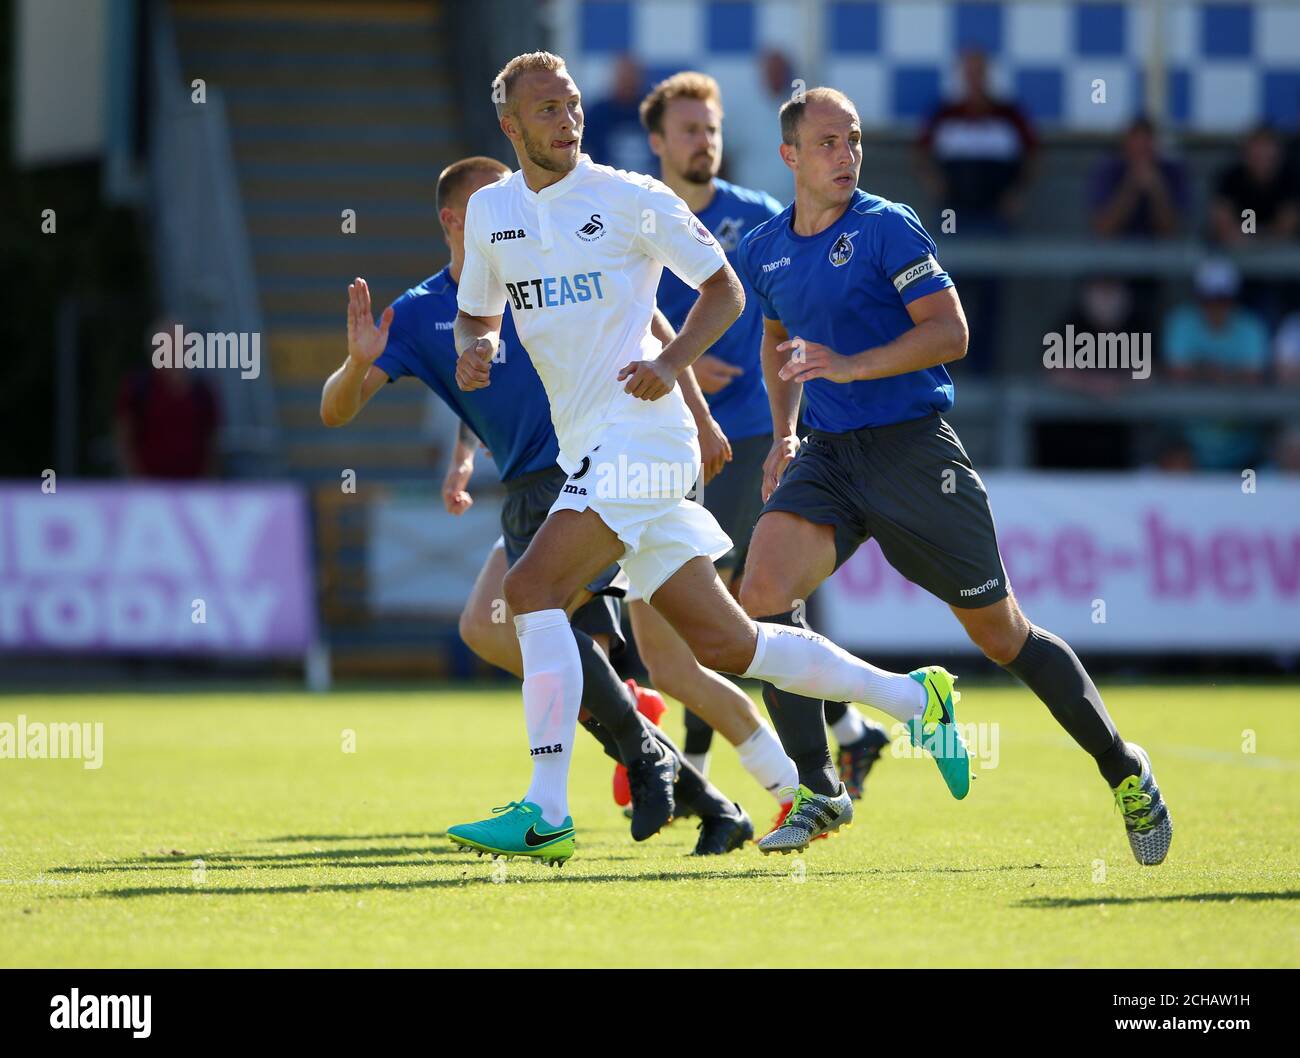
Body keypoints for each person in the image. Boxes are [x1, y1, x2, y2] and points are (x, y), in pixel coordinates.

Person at [448, 52, 964, 863]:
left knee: (530, 587)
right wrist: (475, 348)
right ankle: (911, 696)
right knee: (726, 645)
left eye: (573, 103)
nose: (567, 118)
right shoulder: (489, 214)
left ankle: (547, 809)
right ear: (511, 126)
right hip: (592, 447)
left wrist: (672, 361)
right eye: (546, 109)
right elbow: (477, 315)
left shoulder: (631, 197)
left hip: (647, 439)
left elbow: (725, 290)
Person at [734, 87, 1172, 866]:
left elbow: (952, 332)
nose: (847, 156)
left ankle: (1123, 767)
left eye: (855, 140)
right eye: (828, 143)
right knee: (762, 599)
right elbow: (777, 342)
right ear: (790, 157)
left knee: (1004, 637)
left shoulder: (887, 226)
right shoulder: (766, 247)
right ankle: (818, 787)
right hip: (829, 454)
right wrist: (784, 433)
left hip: (916, 455)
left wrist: (853, 365)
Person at [320, 154, 753, 860]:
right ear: (455, 220)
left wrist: (699, 418)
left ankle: (642, 770)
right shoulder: (426, 310)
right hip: (526, 490)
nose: (520, 208)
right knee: (508, 633)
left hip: (590, 473)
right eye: (497, 200)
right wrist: (353, 362)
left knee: (541, 628)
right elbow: (338, 411)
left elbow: (652, 323)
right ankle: (698, 790)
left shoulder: (547, 274)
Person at [637, 70, 890, 828]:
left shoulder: (755, 218)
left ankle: (708, 777)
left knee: (719, 606)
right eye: (688, 130)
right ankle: (849, 730)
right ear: (657, 143)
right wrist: (680, 359)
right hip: (660, 444)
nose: (703, 142)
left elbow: (782, 310)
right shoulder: (639, 219)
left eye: (711, 129)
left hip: (741, 434)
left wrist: (726, 367)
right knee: (704, 613)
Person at [1163, 257, 1271, 470]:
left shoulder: (1251, 327)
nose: (1216, 306)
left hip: (1242, 443)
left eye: (1222, 299)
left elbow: (1255, 378)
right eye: (1209, 299)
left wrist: (1205, 372)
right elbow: (1177, 374)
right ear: (1198, 297)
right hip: (1187, 440)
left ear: (1233, 298)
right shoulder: (1181, 322)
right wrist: (1222, 374)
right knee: (1174, 464)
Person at [115, 321, 220, 479]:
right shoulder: (139, 388)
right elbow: (124, 437)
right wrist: (135, 479)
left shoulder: (203, 392)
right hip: (149, 488)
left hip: (193, 487)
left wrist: (206, 481)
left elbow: (211, 442)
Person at [1088, 116, 1189, 239]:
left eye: (1147, 143)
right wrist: (1130, 188)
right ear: (1125, 144)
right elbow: (1103, 230)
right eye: (1136, 142)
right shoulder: (1108, 170)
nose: (1141, 148)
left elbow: (1171, 232)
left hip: (1160, 253)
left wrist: (1156, 190)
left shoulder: (1172, 171)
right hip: (1113, 252)